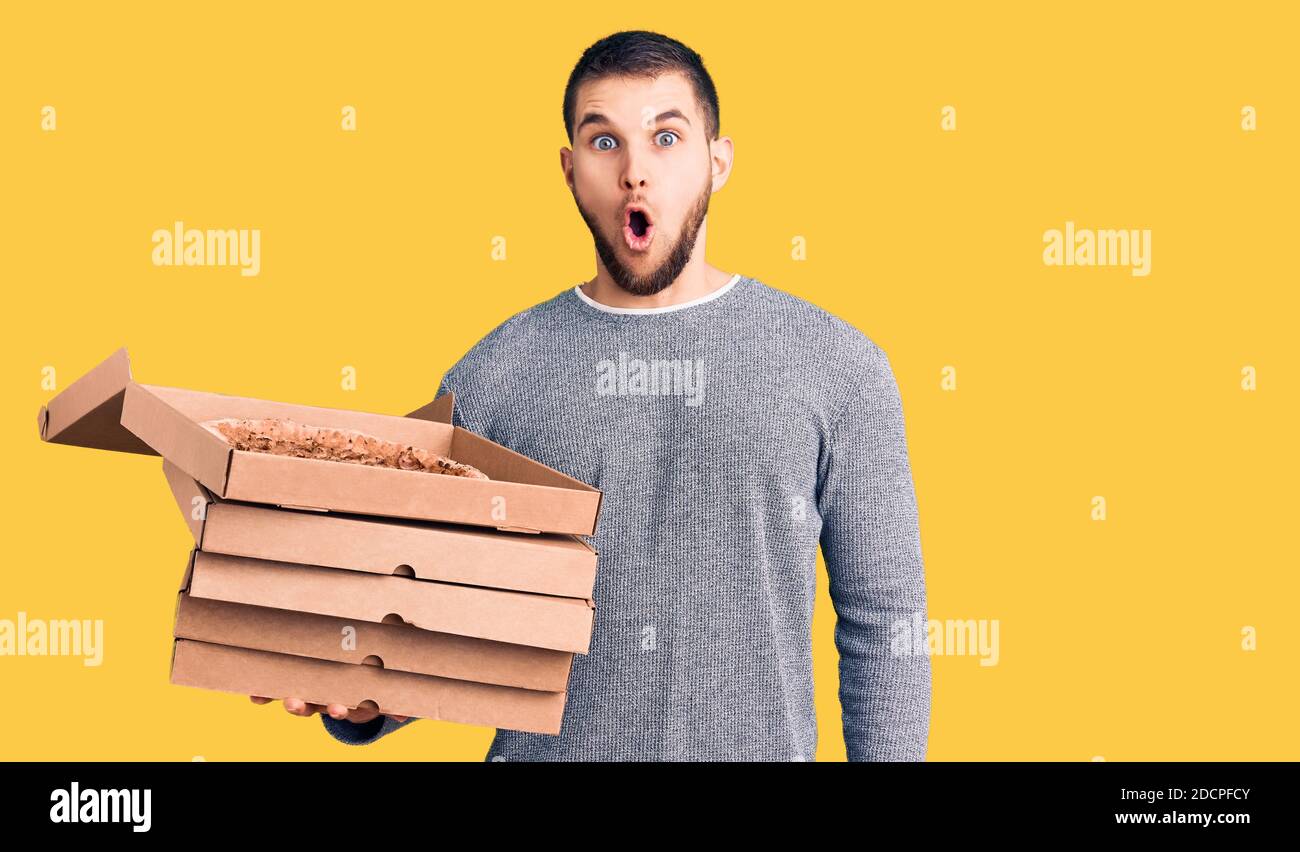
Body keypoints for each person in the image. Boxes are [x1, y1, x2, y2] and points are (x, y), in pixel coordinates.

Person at [255, 29, 931, 761]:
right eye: (605, 143)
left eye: (666, 137)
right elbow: (429, 613)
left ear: (718, 160)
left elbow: (884, 623)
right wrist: (358, 698)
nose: (636, 171)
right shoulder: (492, 377)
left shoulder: (839, 366)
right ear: (571, 171)